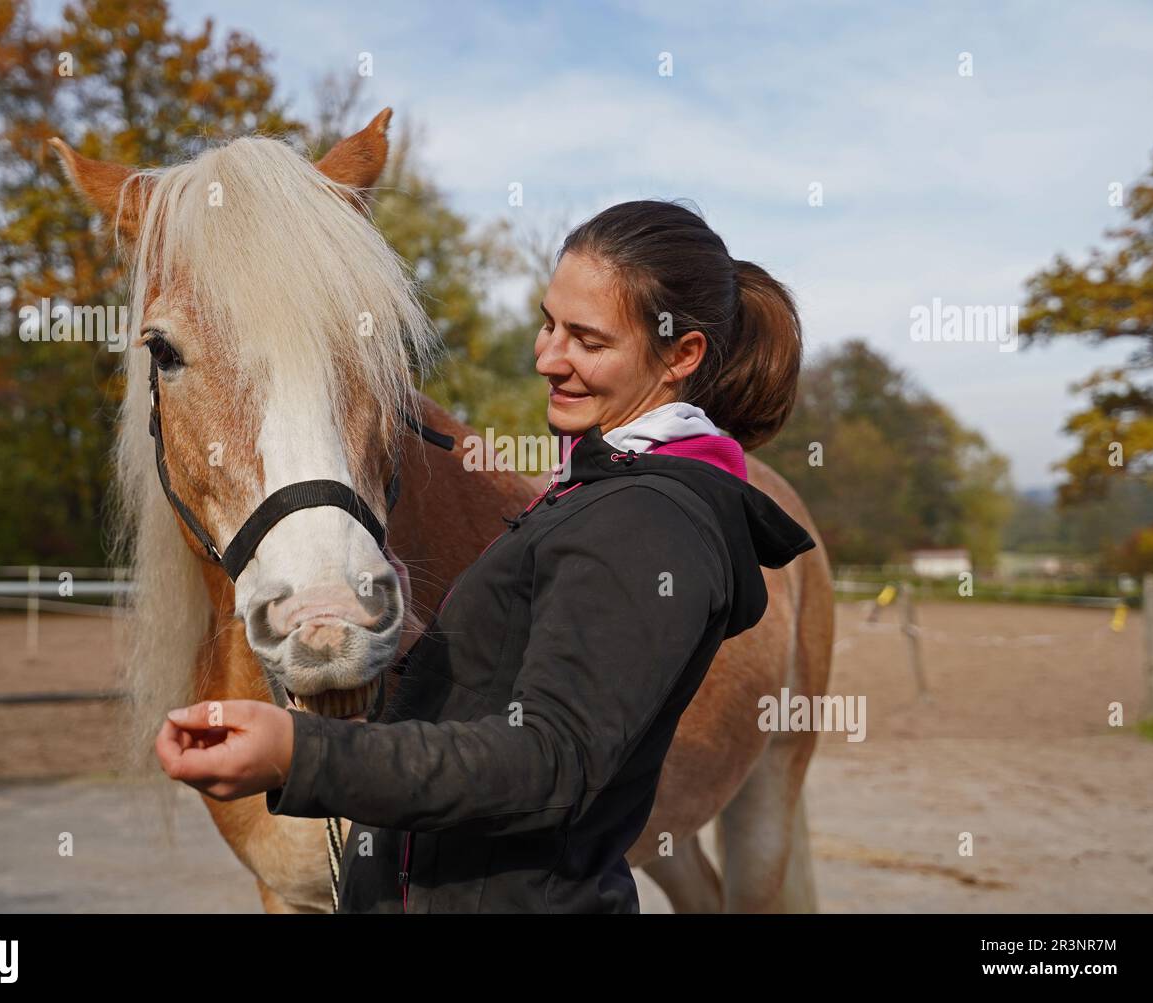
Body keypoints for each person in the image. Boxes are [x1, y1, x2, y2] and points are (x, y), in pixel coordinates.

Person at [155, 199, 817, 913]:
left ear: (681, 356)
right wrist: (418, 645)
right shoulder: (599, 491)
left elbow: (548, 764)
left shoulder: (646, 522)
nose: (547, 358)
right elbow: (531, 685)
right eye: (549, 323)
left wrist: (299, 754)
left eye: (587, 341)